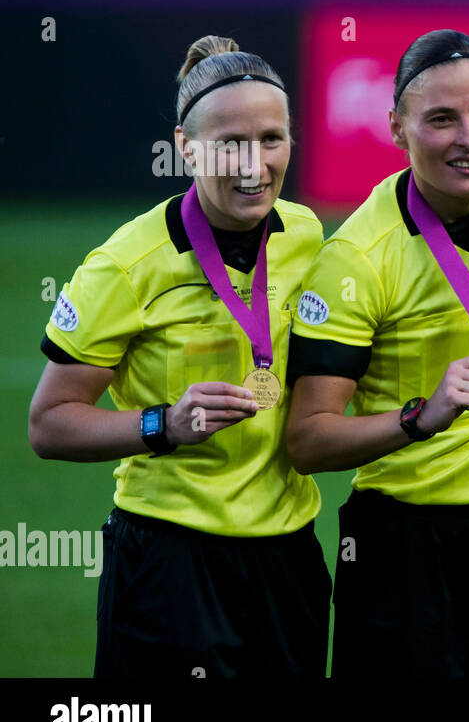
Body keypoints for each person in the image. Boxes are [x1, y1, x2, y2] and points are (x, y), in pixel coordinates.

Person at [28, 36, 330, 678]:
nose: (255, 163)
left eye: (272, 138)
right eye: (229, 143)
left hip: (289, 556)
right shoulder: (126, 264)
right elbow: (48, 422)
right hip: (170, 562)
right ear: (185, 147)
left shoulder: (305, 235)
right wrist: (162, 425)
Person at [285, 29, 469, 678]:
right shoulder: (356, 261)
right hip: (405, 550)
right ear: (397, 125)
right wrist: (419, 417)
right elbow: (307, 439)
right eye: (442, 119)